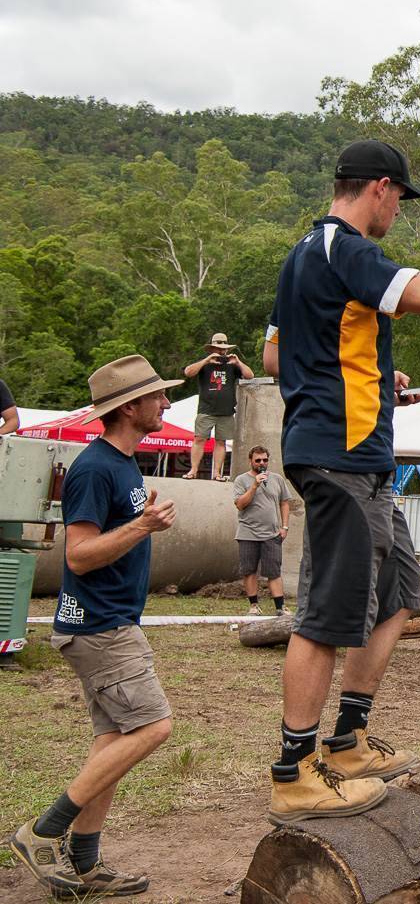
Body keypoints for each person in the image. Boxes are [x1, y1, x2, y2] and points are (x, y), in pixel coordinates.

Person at [261, 139, 420, 823]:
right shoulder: (343, 247)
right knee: (324, 617)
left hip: (360, 452)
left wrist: (371, 377)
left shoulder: (306, 255)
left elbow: (278, 348)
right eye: (400, 200)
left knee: (402, 590)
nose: (398, 213)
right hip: (339, 455)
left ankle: (347, 739)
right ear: (378, 188)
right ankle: (293, 769)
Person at [9, 355, 182, 898]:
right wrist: (142, 526)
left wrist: (139, 523)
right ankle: (43, 833)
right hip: (99, 627)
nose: (165, 403)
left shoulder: (126, 464)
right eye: (156, 396)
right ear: (129, 406)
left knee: (112, 741)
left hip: (111, 621)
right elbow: (80, 556)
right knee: (154, 728)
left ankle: (85, 866)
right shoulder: (93, 469)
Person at [181, 333, 253, 481]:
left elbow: (250, 375)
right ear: (212, 348)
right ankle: (193, 470)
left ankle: (217, 473)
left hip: (226, 411)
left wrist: (238, 362)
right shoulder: (204, 364)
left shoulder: (232, 366)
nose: (222, 352)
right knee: (199, 439)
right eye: (218, 349)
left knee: (221, 442)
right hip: (206, 409)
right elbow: (188, 372)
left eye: (224, 349)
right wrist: (207, 360)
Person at [233, 446, 292, 616]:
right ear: (250, 460)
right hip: (247, 532)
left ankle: (280, 607)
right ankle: (253, 606)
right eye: (258, 460)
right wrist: (254, 486)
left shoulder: (277, 479)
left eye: (265, 460)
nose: (262, 463)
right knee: (249, 570)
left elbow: (285, 502)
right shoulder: (241, 480)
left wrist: (285, 526)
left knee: (274, 571)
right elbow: (239, 504)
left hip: (272, 533)